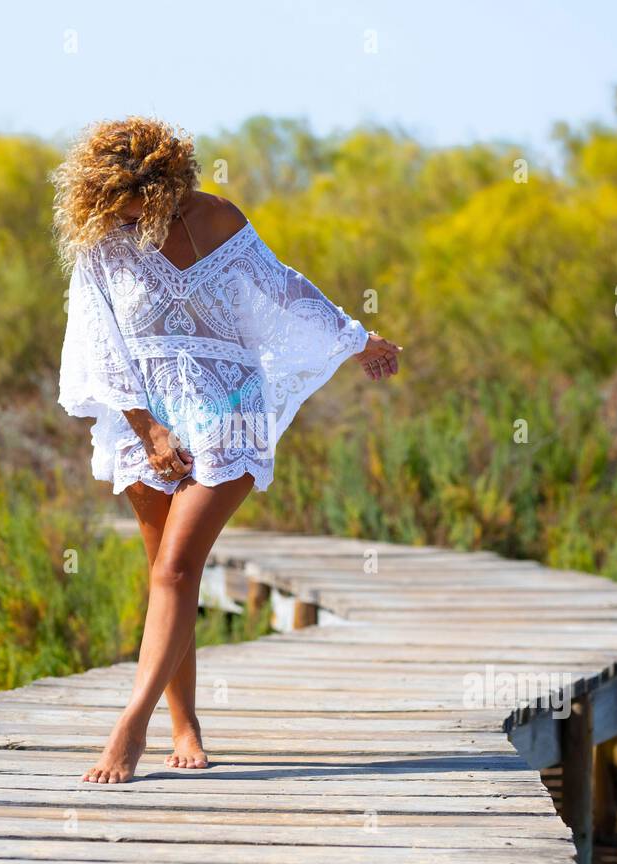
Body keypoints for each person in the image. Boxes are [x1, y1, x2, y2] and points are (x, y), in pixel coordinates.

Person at [51, 116, 402, 783]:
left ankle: (131, 722)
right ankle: (186, 722)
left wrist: (359, 339)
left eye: (130, 203)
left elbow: (284, 288)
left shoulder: (220, 220)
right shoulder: (101, 246)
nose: (121, 215)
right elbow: (100, 349)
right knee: (163, 573)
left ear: (160, 186)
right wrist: (148, 430)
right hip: (148, 421)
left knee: (177, 569)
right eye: (109, 204)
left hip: (228, 412)